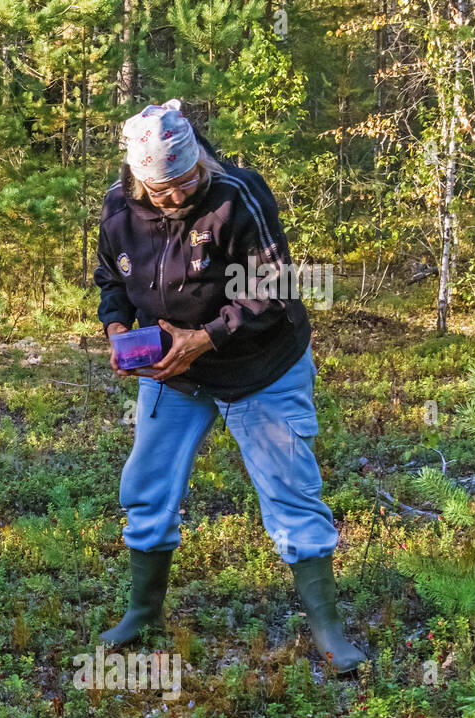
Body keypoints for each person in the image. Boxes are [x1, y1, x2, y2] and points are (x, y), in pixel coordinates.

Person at [94, 99, 365, 674]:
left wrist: (207, 336)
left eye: (188, 179)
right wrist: (118, 326)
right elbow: (111, 278)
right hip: (176, 372)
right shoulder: (119, 209)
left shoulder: (237, 195)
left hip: (260, 367)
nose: (178, 196)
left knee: (291, 491)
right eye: (163, 188)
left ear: (200, 161)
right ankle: (144, 611)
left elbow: (273, 288)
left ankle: (327, 628)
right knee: (146, 487)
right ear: (139, 179)